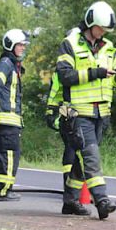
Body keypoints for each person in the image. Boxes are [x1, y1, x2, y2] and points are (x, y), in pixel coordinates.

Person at [56, 1, 116, 220]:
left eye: (106, 30)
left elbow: (113, 80)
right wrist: (96, 72)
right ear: (90, 23)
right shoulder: (69, 44)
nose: (103, 33)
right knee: (91, 156)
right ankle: (102, 200)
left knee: (82, 161)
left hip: (102, 114)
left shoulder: (108, 46)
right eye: (100, 28)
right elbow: (65, 76)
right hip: (78, 114)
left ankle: (70, 201)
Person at [46, 27, 86, 214]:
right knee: (72, 149)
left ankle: (72, 192)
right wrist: (52, 111)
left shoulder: (84, 60)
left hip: (80, 110)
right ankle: (70, 192)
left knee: (77, 151)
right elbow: (56, 90)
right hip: (68, 110)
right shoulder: (67, 65)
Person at [0, 29, 28, 201]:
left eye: (24, 45)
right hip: (6, 119)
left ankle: (0, 189)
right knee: (9, 155)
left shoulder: (11, 65)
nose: (23, 48)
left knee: (4, 155)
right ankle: (3, 191)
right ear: (10, 45)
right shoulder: (6, 64)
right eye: (20, 45)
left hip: (9, 120)